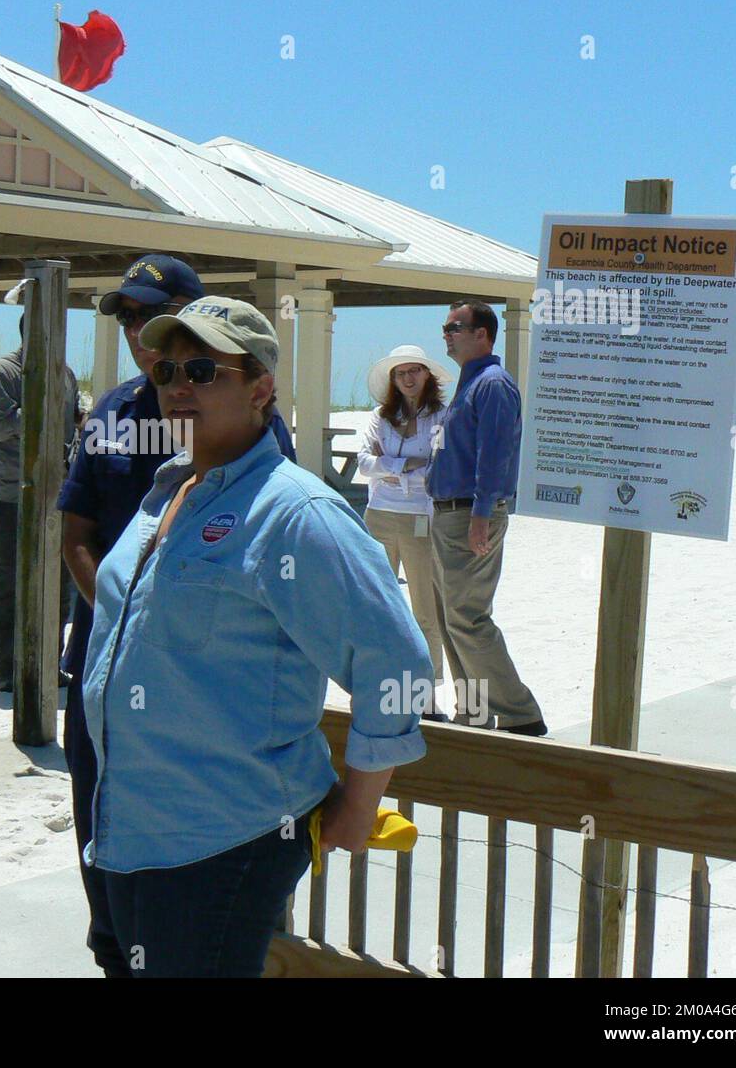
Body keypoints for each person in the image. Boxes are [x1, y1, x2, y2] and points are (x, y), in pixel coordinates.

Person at [80, 296, 431, 978]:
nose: (178, 386)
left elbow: (396, 662)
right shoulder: (166, 495)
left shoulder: (294, 511)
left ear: (261, 388)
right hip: (130, 832)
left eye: (205, 370)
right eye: (168, 371)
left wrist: (358, 809)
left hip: (220, 842)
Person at [58, 254, 296, 976]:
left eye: (148, 315)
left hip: (194, 689)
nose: (138, 332)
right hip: (100, 669)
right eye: (128, 318)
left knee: (191, 894)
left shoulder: (252, 427)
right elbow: (75, 534)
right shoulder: (113, 411)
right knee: (104, 868)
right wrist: (128, 622)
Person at [427, 300, 545, 735]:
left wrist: (480, 515)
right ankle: (474, 711)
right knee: (448, 617)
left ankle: (520, 712)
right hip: (448, 516)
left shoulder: (493, 384)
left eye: (455, 327)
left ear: (483, 334)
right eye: (445, 327)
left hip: (469, 516)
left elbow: (495, 455)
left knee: (467, 616)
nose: (447, 334)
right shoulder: (470, 381)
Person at [0, 316, 79, 692]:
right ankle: (6, 669)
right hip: (13, 494)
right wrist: (45, 404)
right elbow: (1, 425)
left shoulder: (66, 374)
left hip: (59, 494)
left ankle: (50, 664)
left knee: (58, 583)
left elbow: (71, 424)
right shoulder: (1, 372)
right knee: (12, 583)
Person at [357, 344, 451, 699]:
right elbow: (364, 463)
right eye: (401, 373)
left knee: (426, 608)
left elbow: (440, 468)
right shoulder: (379, 417)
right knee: (378, 604)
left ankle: (427, 691)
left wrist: (391, 468)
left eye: (415, 370)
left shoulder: (441, 417)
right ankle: (379, 683)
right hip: (380, 515)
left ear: (427, 375)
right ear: (393, 380)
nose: (408, 378)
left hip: (421, 520)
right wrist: (404, 467)